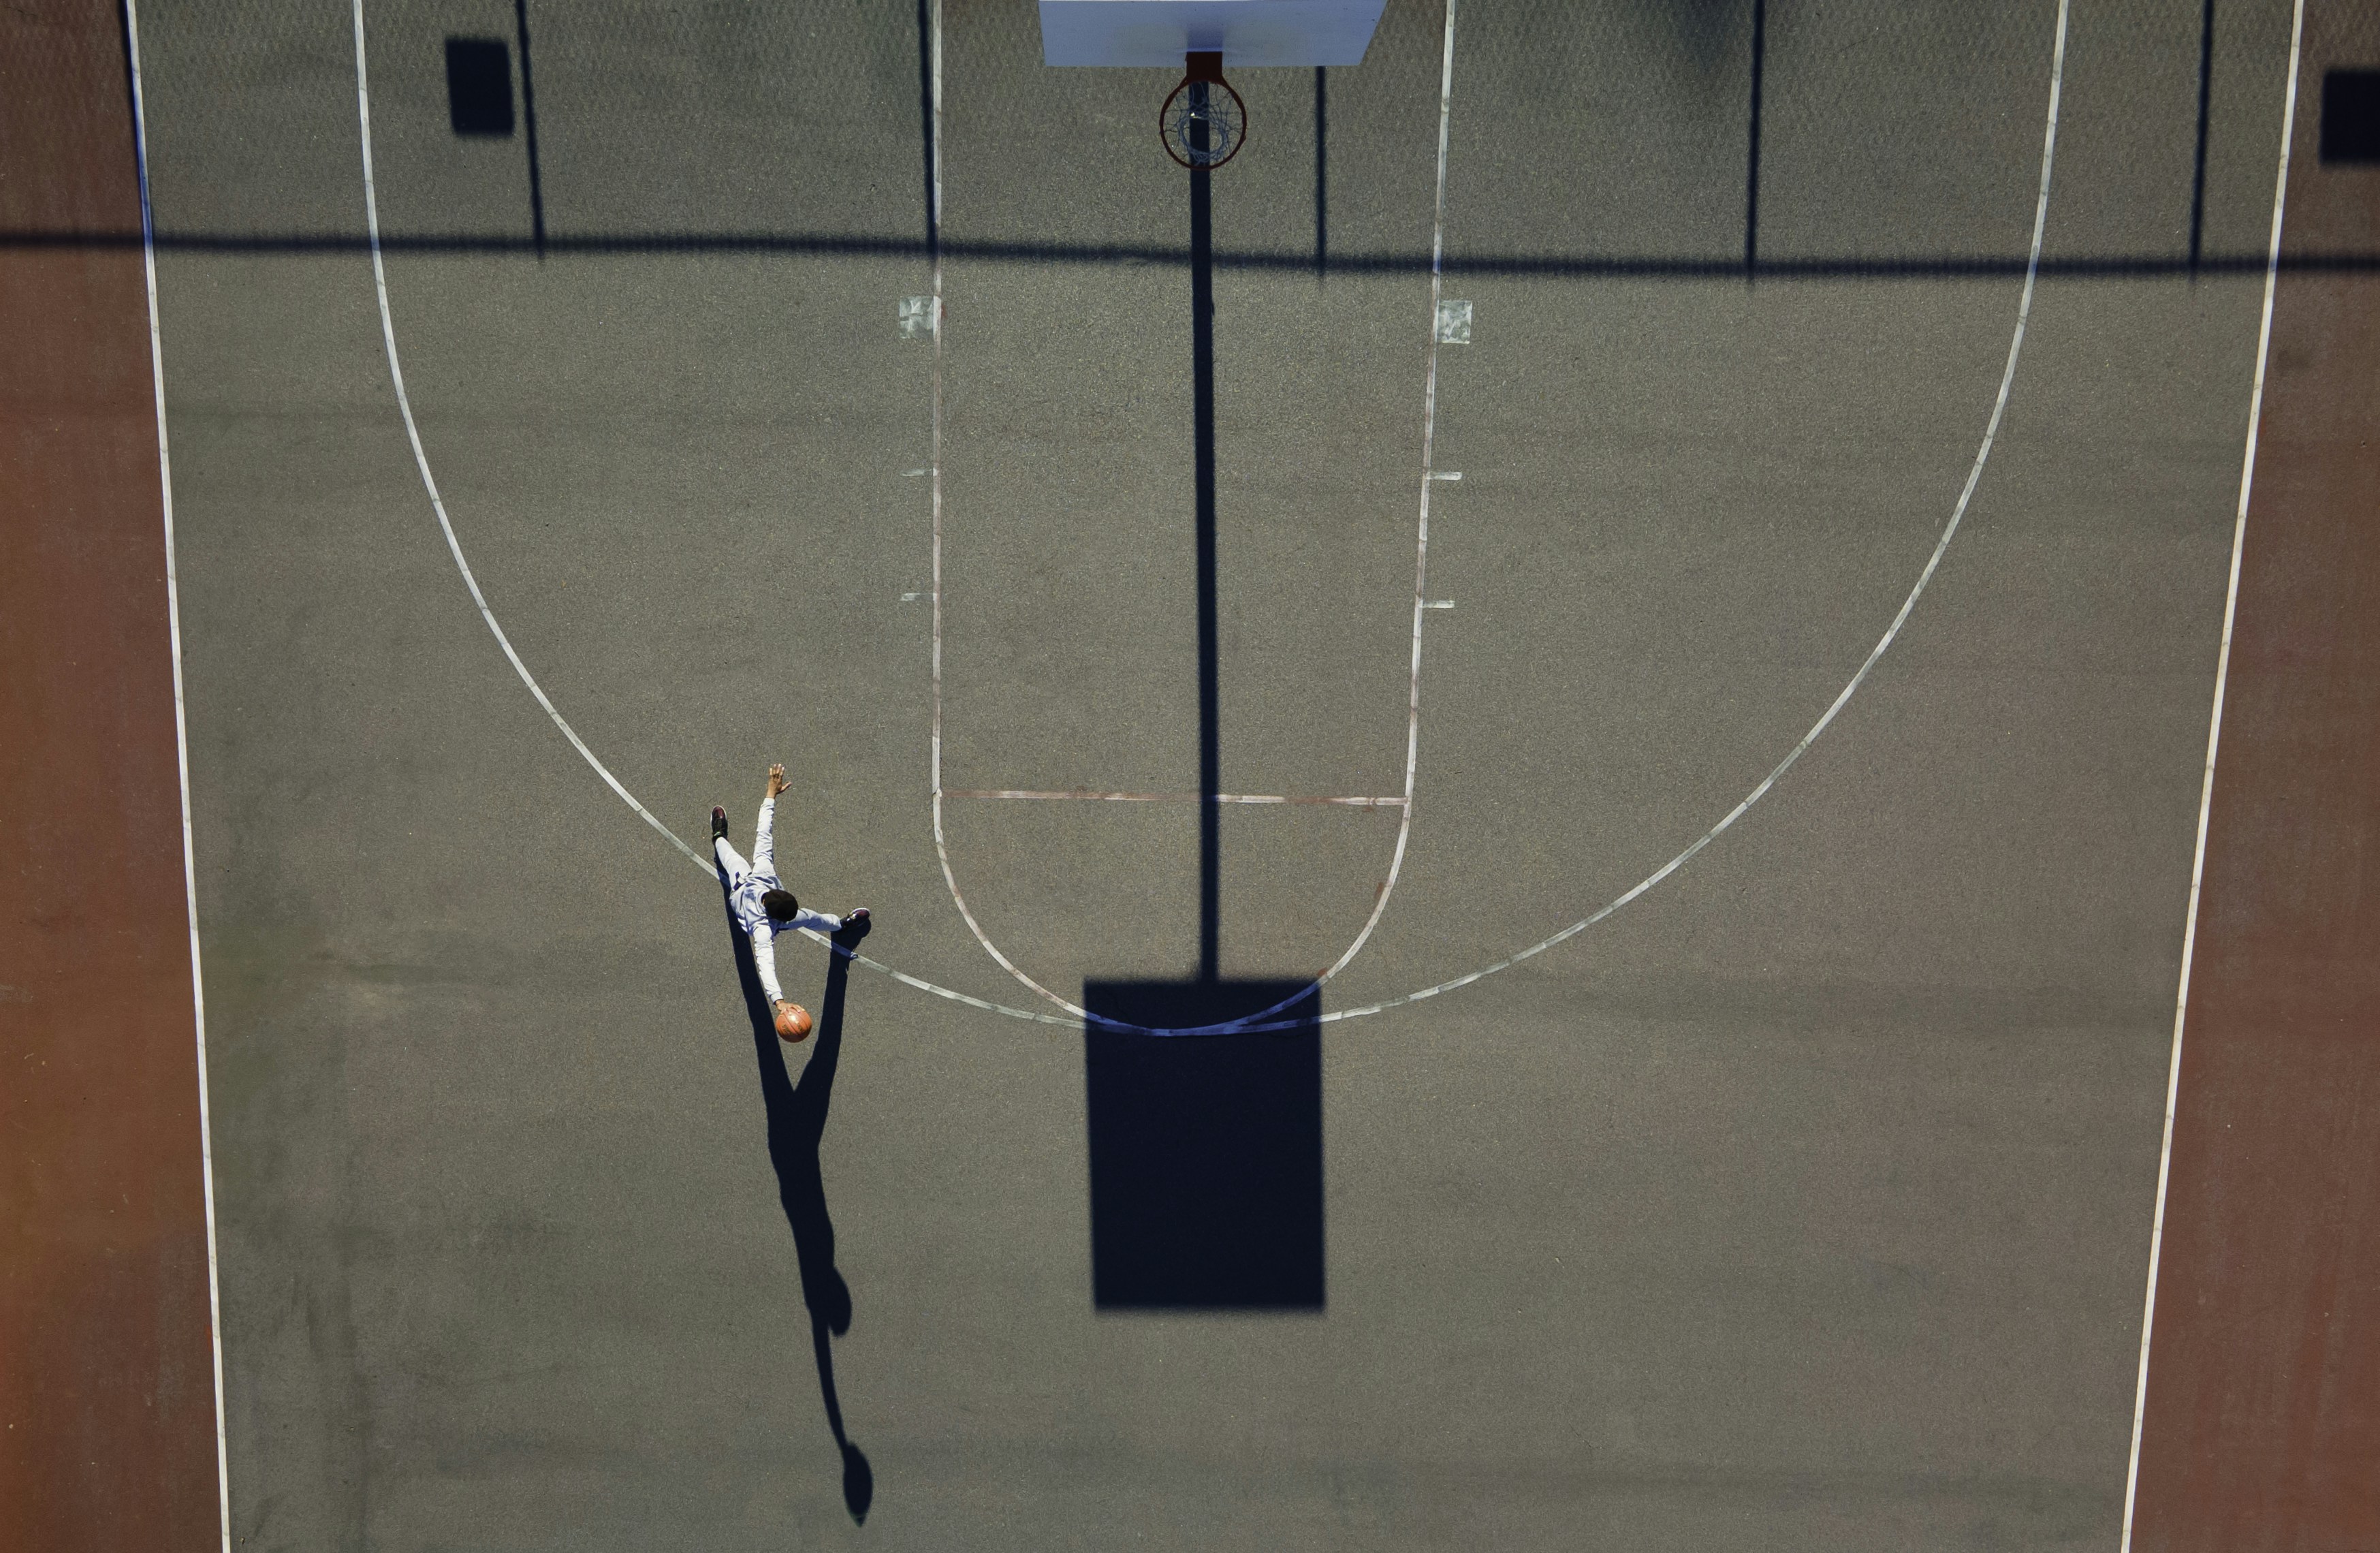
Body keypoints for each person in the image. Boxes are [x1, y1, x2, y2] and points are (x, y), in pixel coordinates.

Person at [714, 764, 868, 1040]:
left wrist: (770, 795)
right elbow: (765, 964)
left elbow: (765, 831)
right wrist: (779, 1001)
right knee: (729, 855)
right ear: (778, 921)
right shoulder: (762, 930)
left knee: (813, 917)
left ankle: (841, 926)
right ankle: (718, 836)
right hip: (740, 894)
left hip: (752, 883)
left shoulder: (765, 872)